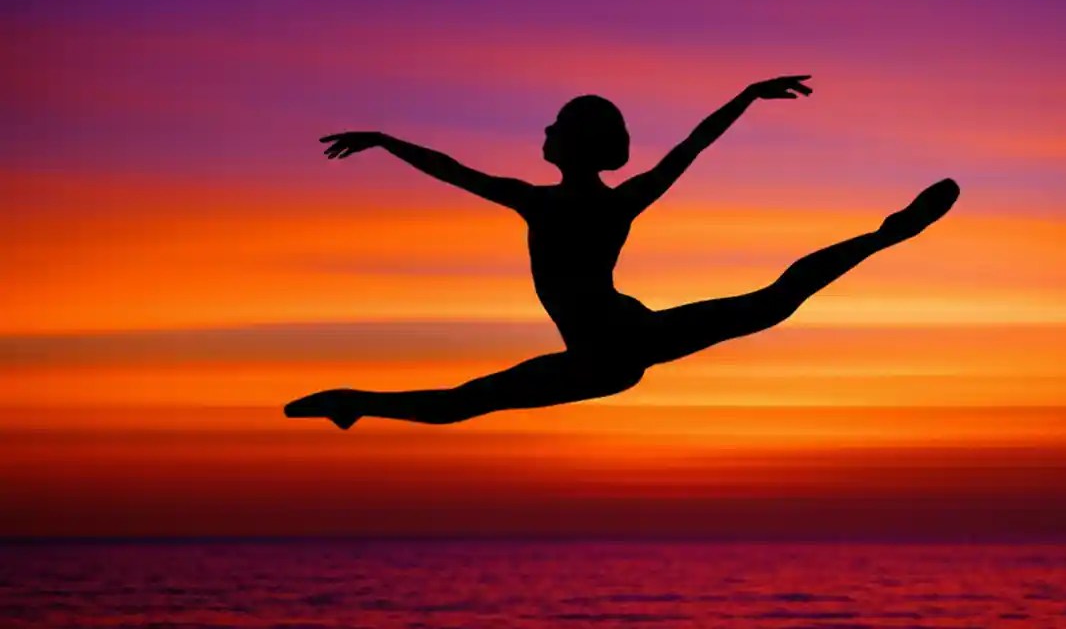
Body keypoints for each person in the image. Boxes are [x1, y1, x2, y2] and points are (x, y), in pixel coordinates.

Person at [285, 76, 959, 429]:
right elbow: (691, 146)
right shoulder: (596, 201)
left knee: (774, 302)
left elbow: (692, 146)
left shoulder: (547, 201)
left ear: (574, 143)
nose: (544, 130)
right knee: (775, 302)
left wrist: (384, 139)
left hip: (618, 343)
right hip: (612, 351)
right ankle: (355, 402)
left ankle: (888, 232)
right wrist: (385, 141)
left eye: (555, 125)